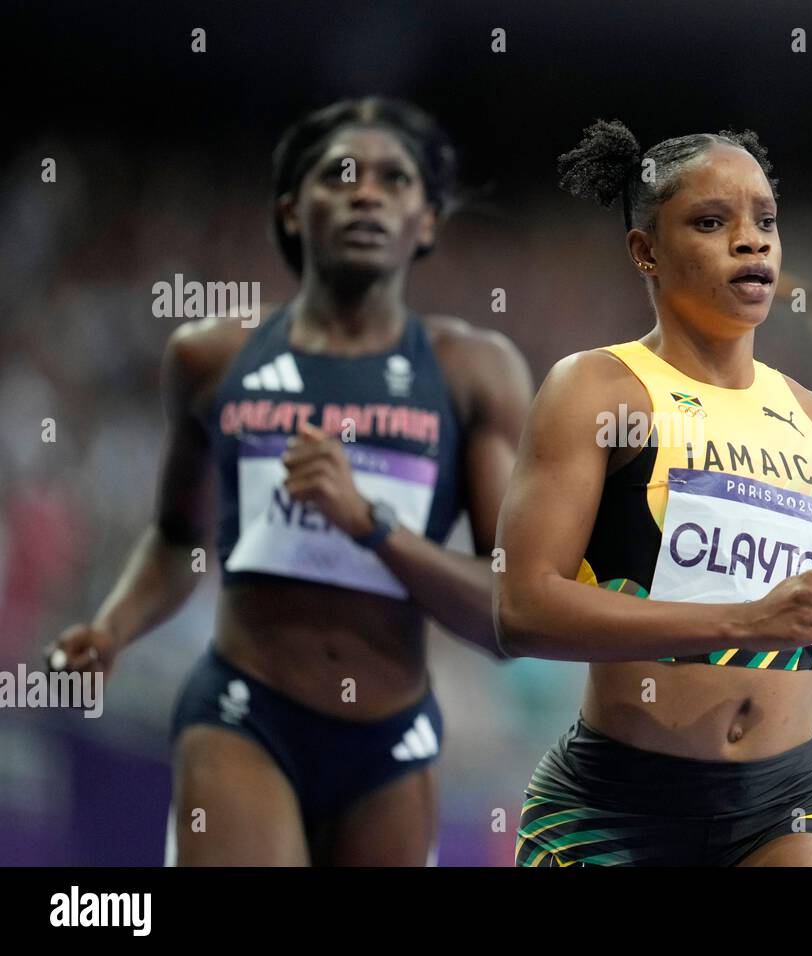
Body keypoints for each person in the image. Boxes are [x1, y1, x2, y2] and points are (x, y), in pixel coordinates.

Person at [51, 97, 533, 865]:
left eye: (394, 179)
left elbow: (509, 615)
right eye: (339, 176)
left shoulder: (475, 371)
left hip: (393, 741)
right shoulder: (210, 356)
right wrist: (111, 629)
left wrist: (370, 524)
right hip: (246, 714)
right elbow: (178, 540)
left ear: (428, 220)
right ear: (291, 208)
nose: (365, 192)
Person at [494, 119, 812, 867]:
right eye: (712, 221)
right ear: (646, 252)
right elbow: (523, 609)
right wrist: (741, 620)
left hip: (781, 805)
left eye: (765, 220)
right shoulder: (600, 391)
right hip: (620, 808)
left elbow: (781, 632)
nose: (752, 241)